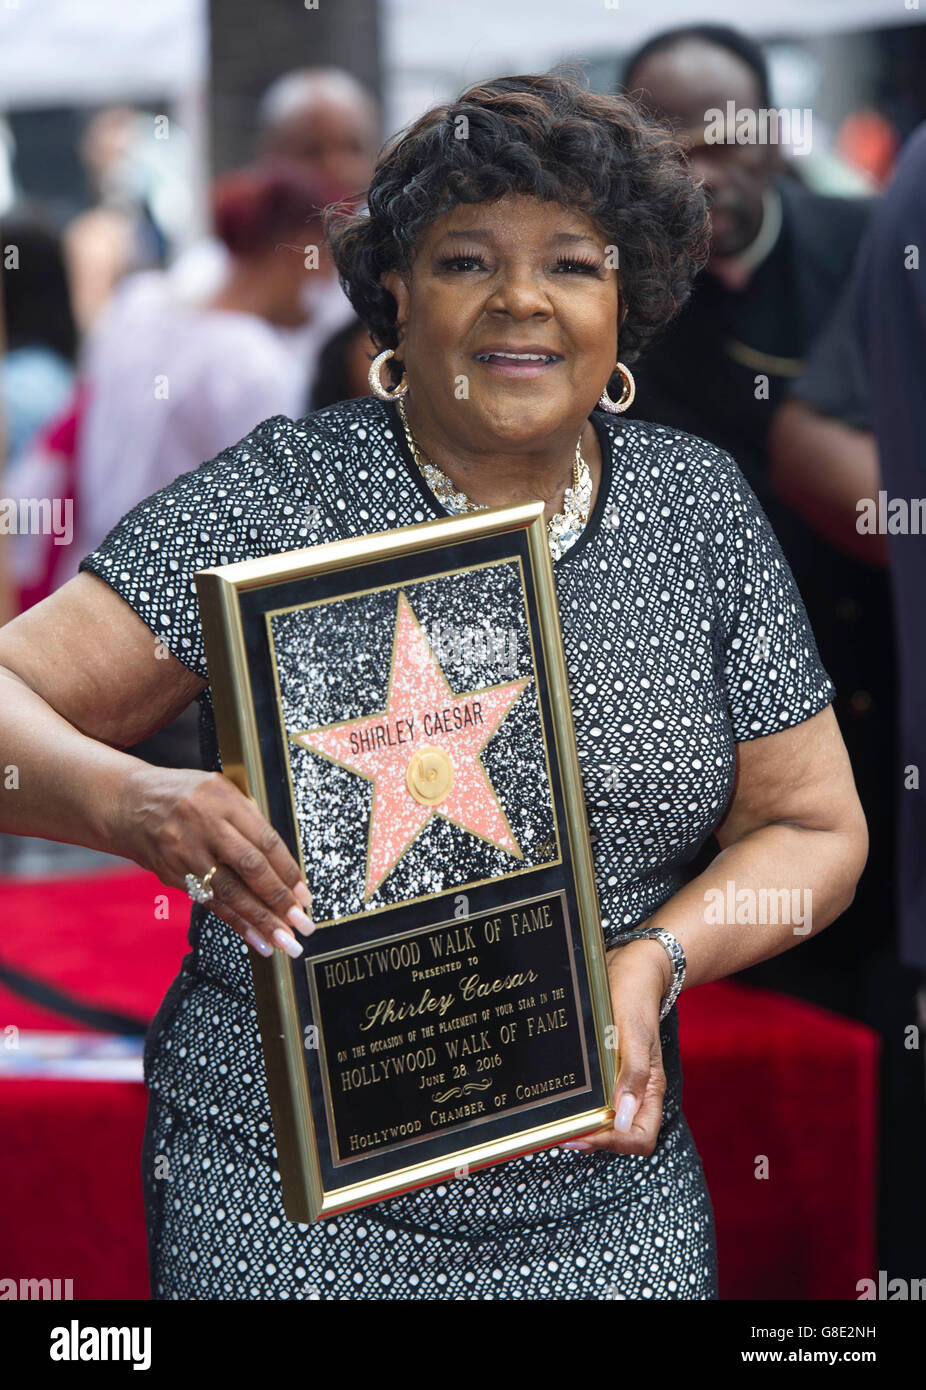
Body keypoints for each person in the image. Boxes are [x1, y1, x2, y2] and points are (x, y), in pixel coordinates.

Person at [0, 73, 868, 1301]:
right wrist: (131, 801)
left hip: (607, 1201)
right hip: (288, 1199)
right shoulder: (284, 493)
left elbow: (815, 828)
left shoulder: (695, 507)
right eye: (467, 260)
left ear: (628, 303)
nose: (522, 300)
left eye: (572, 263)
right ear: (395, 300)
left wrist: (655, 958)